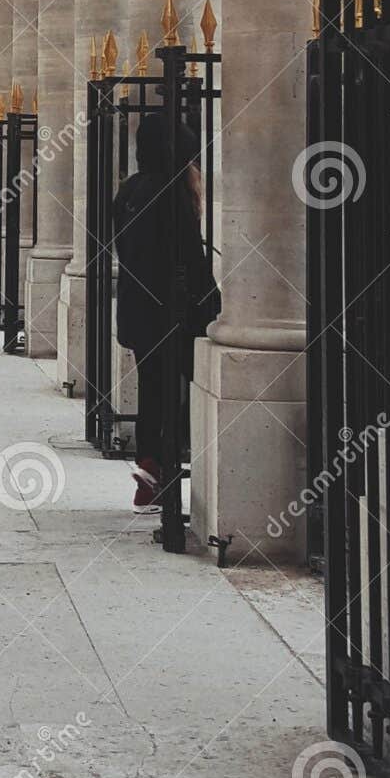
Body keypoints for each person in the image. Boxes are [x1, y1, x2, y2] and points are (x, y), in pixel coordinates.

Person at [112, 110, 219, 511]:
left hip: (138, 310)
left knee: (153, 391)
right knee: (180, 392)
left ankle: (150, 472)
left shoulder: (128, 191)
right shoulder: (172, 192)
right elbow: (191, 257)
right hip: (173, 313)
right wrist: (212, 301)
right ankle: (169, 467)